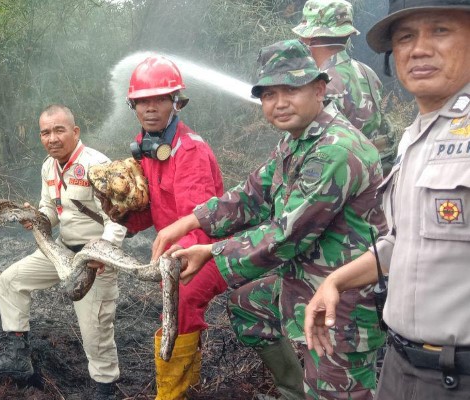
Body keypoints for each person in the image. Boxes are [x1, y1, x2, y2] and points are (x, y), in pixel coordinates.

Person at [155, 40, 386, 399]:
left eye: (291, 90)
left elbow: (285, 234)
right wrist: (190, 221)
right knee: (249, 305)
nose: (278, 103)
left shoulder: (335, 149)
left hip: (343, 299)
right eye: (268, 95)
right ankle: (294, 391)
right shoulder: (297, 141)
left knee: (336, 390)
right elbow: (253, 192)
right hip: (305, 279)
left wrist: (211, 252)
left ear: (319, 89)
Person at [304, 2, 470, 399]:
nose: (420, 49)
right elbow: (405, 241)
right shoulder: (416, 136)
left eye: (441, 31)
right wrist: (336, 280)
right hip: (400, 367)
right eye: (405, 37)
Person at [0, 105, 127, 400]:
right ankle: (18, 356)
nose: (52, 138)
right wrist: (37, 217)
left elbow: (117, 219)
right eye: (45, 132)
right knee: (10, 280)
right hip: (60, 252)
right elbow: (53, 210)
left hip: (94, 260)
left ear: (75, 131)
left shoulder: (98, 166)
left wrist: (103, 253)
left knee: (95, 330)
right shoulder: (49, 166)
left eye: (59, 130)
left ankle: (105, 389)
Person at [99, 55, 227, 399]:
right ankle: (189, 385)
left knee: (180, 300)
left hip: (209, 251)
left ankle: (170, 394)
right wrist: (120, 214)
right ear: (133, 105)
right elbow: (153, 213)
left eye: (159, 99)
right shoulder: (149, 149)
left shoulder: (190, 152)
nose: (150, 108)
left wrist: (170, 262)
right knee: (176, 304)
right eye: (143, 101)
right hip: (175, 250)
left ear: (175, 103)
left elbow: (198, 226)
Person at [292, 0, 396, 171]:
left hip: (342, 173)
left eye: (302, 36)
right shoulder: (367, 72)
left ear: (311, 39)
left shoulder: (320, 85)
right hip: (377, 168)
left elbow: (308, 148)